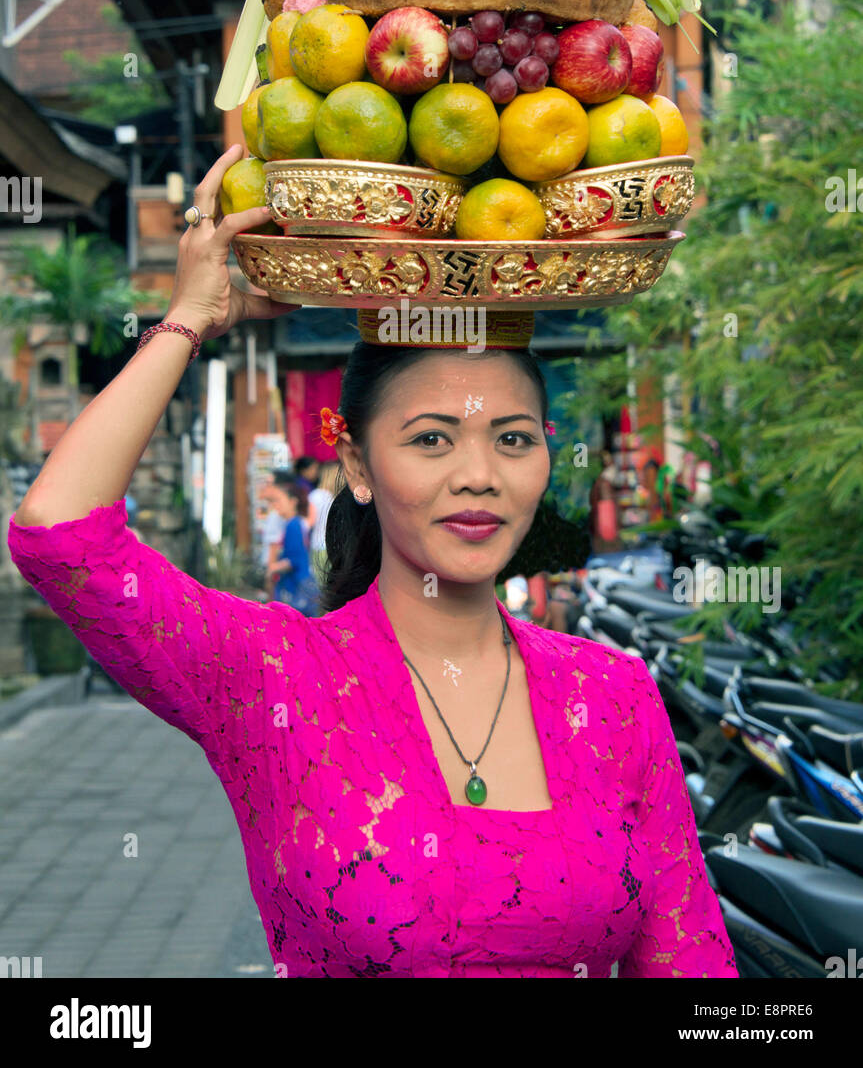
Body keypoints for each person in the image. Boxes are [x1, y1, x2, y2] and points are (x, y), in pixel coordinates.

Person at [6, 142, 737, 980]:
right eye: (431, 439)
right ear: (354, 464)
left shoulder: (612, 696)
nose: (477, 474)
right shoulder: (269, 678)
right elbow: (59, 534)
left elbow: (690, 970)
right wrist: (189, 319)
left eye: (512, 439)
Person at [268, 479, 319, 617]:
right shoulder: (296, 523)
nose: (275, 505)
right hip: (300, 587)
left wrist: (273, 568)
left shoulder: (293, 525)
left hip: (295, 589)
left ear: (292, 501)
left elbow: (295, 559)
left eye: (279, 500)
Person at [307, 461, 339, 583]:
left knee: (321, 583)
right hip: (330, 545)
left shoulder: (315, 495)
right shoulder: (331, 497)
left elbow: (310, 522)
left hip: (318, 544)